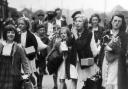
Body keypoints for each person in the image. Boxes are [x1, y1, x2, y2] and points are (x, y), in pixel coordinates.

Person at [17, 17, 47, 88]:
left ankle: (32, 85)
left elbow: (34, 48)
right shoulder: (18, 34)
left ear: (27, 25)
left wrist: (24, 50)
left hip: (28, 58)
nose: (20, 25)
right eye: (19, 24)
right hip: (20, 58)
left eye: (22, 24)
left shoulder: (31, 36)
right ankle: (33, 85)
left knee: (27, 75)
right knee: (25, 75)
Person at [102, 14, 128, 89]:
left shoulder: (124, 35)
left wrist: (113, 47)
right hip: (106, 61)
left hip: (117, 62)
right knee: (107, 83)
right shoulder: (105, 33)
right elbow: (103, 48)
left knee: (116, 84)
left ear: (122, 23)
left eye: (119, 21)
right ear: (111, 22)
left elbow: (124, 51)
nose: (116, 23)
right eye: (115, 20)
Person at [0, 25, 30, 89]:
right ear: (5, 34)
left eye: (13, 32)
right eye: (8, 32)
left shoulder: (19, 47)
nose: (11, 34)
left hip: (14, 74)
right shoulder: (1, 45)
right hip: (2, 72)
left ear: (15, 35)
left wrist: (26, 76)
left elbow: (25, 62)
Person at [35, 24, 49, 89]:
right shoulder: (34, 38)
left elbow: (48, 47)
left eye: (43, 30)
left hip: (42, 57)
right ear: (37, 31)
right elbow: (29, 47)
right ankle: (36, 79)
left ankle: (39, 84)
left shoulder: (46, 39)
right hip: (34, 57)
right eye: (41, 30)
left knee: (41, 72)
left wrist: (47, 56)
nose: (42, 31)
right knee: (33, 71)